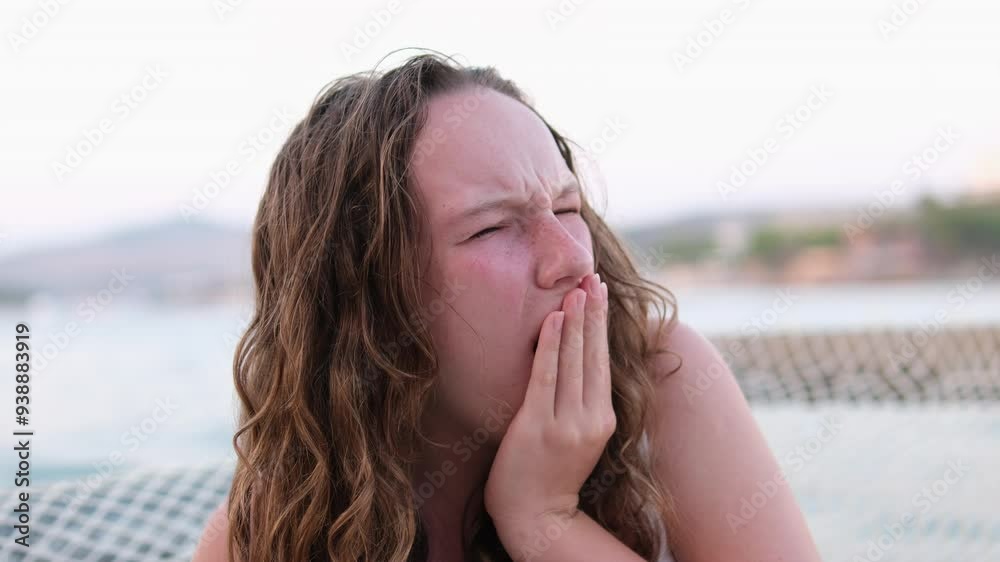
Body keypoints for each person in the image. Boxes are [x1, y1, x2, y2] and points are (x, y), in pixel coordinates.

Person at [192, 50, 822, 562]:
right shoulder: (275, 530)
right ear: (373, 307)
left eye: (568, 210)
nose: (573, 259)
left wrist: (545, 518)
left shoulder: (665, 379)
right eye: (491, 228)